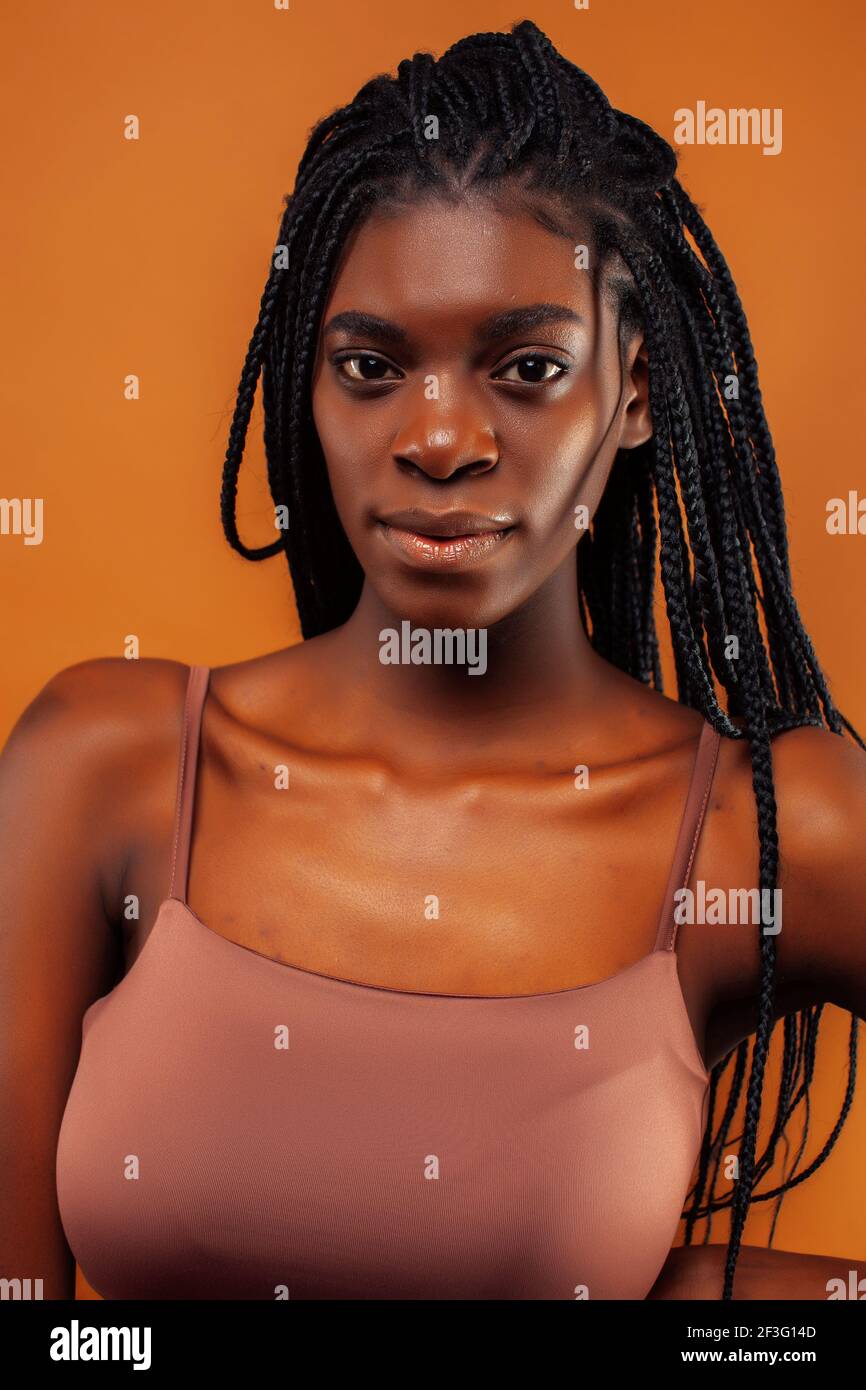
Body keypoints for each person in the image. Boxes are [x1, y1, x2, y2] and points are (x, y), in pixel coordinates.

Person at [3, 19, 864, 1302]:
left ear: (632, 392)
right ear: (309, 383)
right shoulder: (108, 768)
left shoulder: (761, 832)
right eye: (371, 367)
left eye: (525, 368)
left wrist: (713, 1315)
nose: (440, 438)